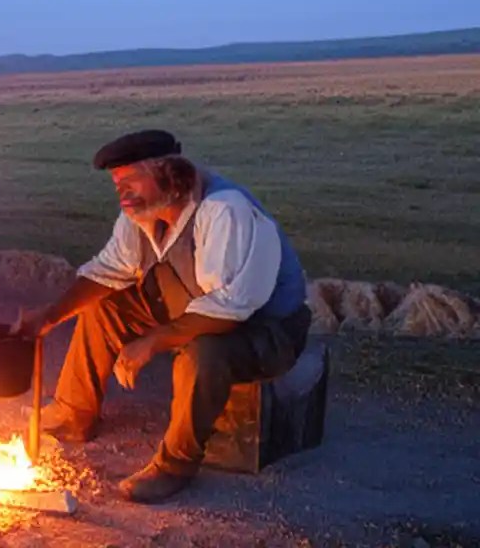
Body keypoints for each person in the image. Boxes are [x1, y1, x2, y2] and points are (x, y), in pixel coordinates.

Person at [15, 129, 310, 504]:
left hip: (266, 329)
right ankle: (74, 414)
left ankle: (175, 466)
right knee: (105, 308)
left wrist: (151, 341)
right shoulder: (140, 214)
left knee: (203, 354)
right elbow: (109, 271)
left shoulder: (223, 210)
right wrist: (50, 316)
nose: (121, 192)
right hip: (200, 307)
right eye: (115, 182)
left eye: (129, 180)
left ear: (168, 174)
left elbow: (230, 311)